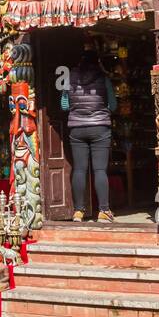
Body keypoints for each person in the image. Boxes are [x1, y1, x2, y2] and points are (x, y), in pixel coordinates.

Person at [66, 48, 118, 223]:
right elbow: (113, 104)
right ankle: (103, 211)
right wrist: (102, 111)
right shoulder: (104, 78)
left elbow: (64, 104)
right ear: (98, 62)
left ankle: (78, 212)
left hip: (77, 128)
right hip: (100, 128)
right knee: (100, 170)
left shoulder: (69, 78)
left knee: (79, 169)